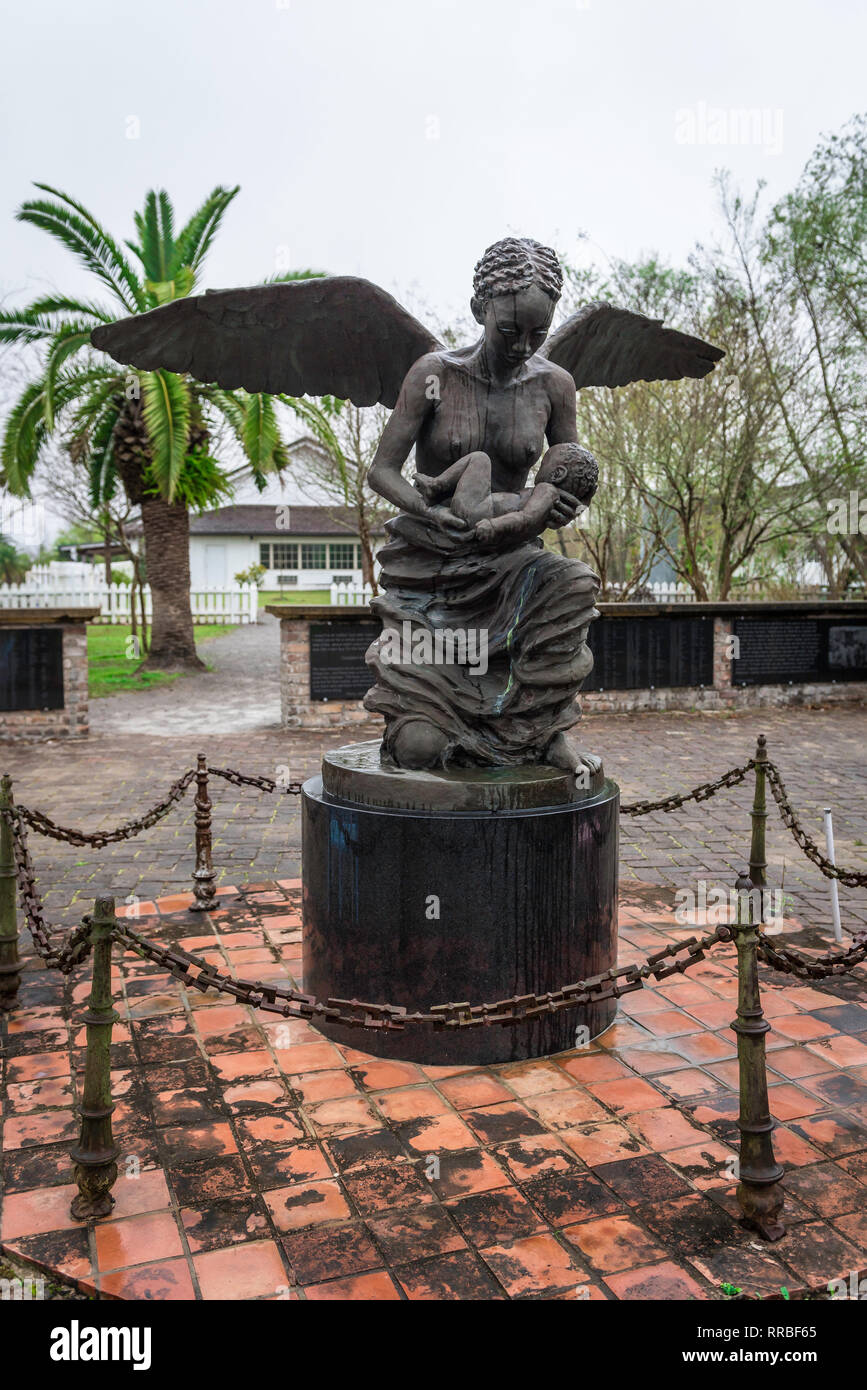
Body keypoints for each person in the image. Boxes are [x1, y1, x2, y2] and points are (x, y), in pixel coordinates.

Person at [413, 441, 599, 547]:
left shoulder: (547, 491)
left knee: (479, 459)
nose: (538, 467)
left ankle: (436, 486)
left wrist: (494, 525)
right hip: (484, 519)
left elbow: (525, 518)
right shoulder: (549, 501)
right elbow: (527, 527)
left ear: (557, 474)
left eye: (543, 464)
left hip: (478, 513)